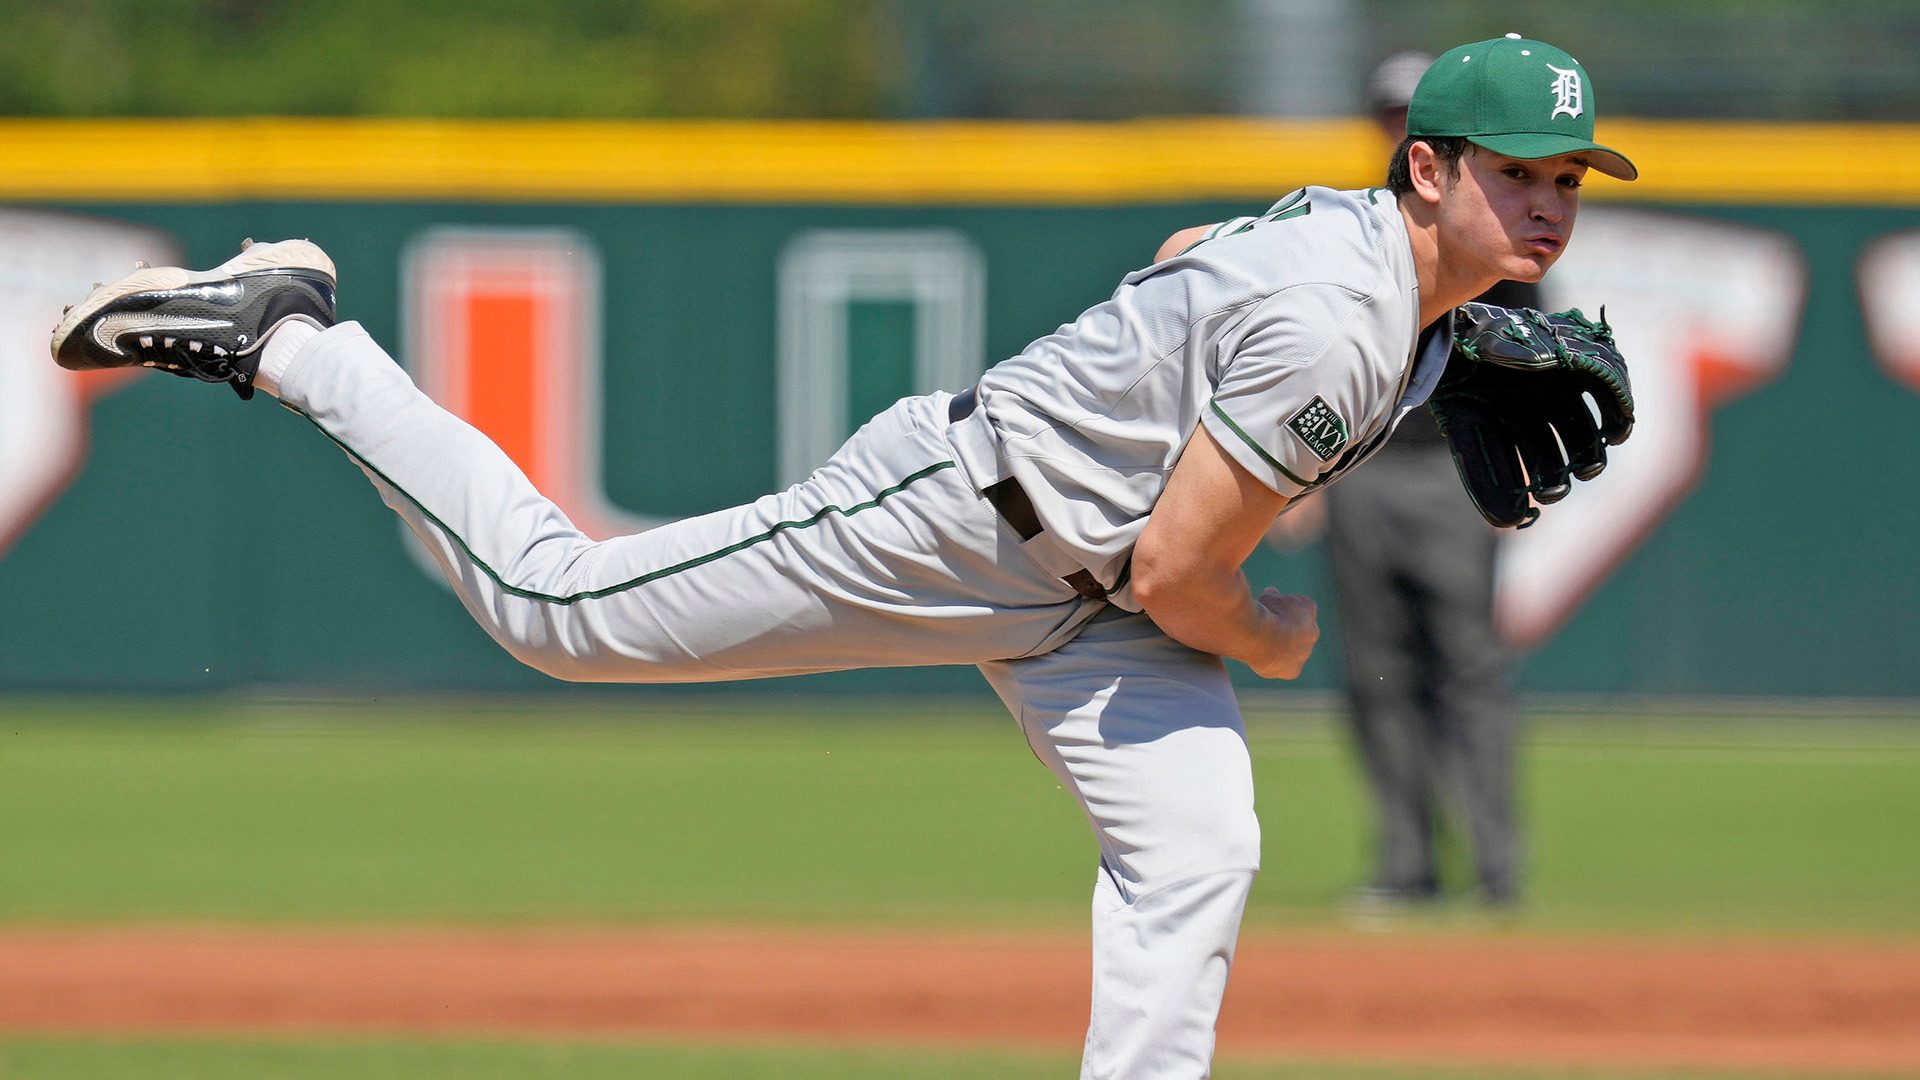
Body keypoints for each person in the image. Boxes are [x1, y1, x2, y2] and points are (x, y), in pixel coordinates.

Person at [50, 35, 1633, 1080]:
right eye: (1517, 173)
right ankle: (296, 340)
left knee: (1198, 850)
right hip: (959, 522)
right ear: (1427, 169)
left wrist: (1383, 359)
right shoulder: (1343, 327)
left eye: (1566, 180)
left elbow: (1176, 266)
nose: (1549, 206)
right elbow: (1182, 578)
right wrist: (1281, 635)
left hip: (1081, 592)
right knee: (555, 608)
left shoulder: (1378, 279)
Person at [1329, 49, 1536, 911]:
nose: (1398, 125)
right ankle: (1408, 867)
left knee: (1468, 670)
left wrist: (1511, 468)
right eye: (1390, 112)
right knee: (1377, 673)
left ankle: (1497, 870)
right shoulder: (1350, 232)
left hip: (1453, 470)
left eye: (1413, 112)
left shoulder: (1491, 228)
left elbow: (1527, 363)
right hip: (1361, 470)